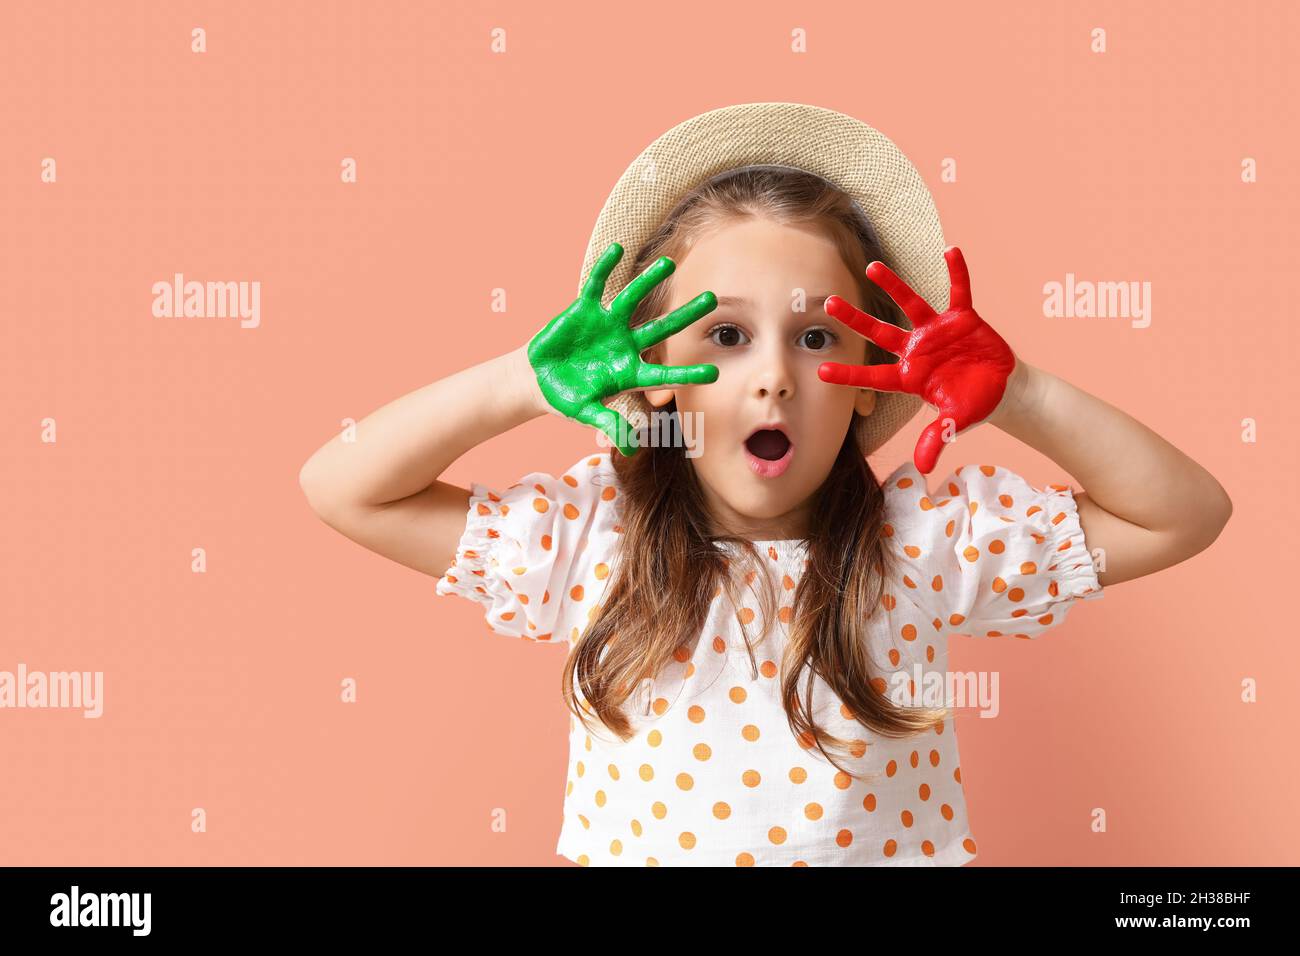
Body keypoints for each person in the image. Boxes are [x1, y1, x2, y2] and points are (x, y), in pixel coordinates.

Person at [299, 104, 1232, 866]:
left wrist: (1017, 391)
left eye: (817, 335)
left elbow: (1186, 514)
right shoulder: (589, 540)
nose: (773, 376)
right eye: (727, 335)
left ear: (873, 386)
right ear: (652, 369)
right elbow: (346, 487)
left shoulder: (924, 544)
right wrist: (519, 381)